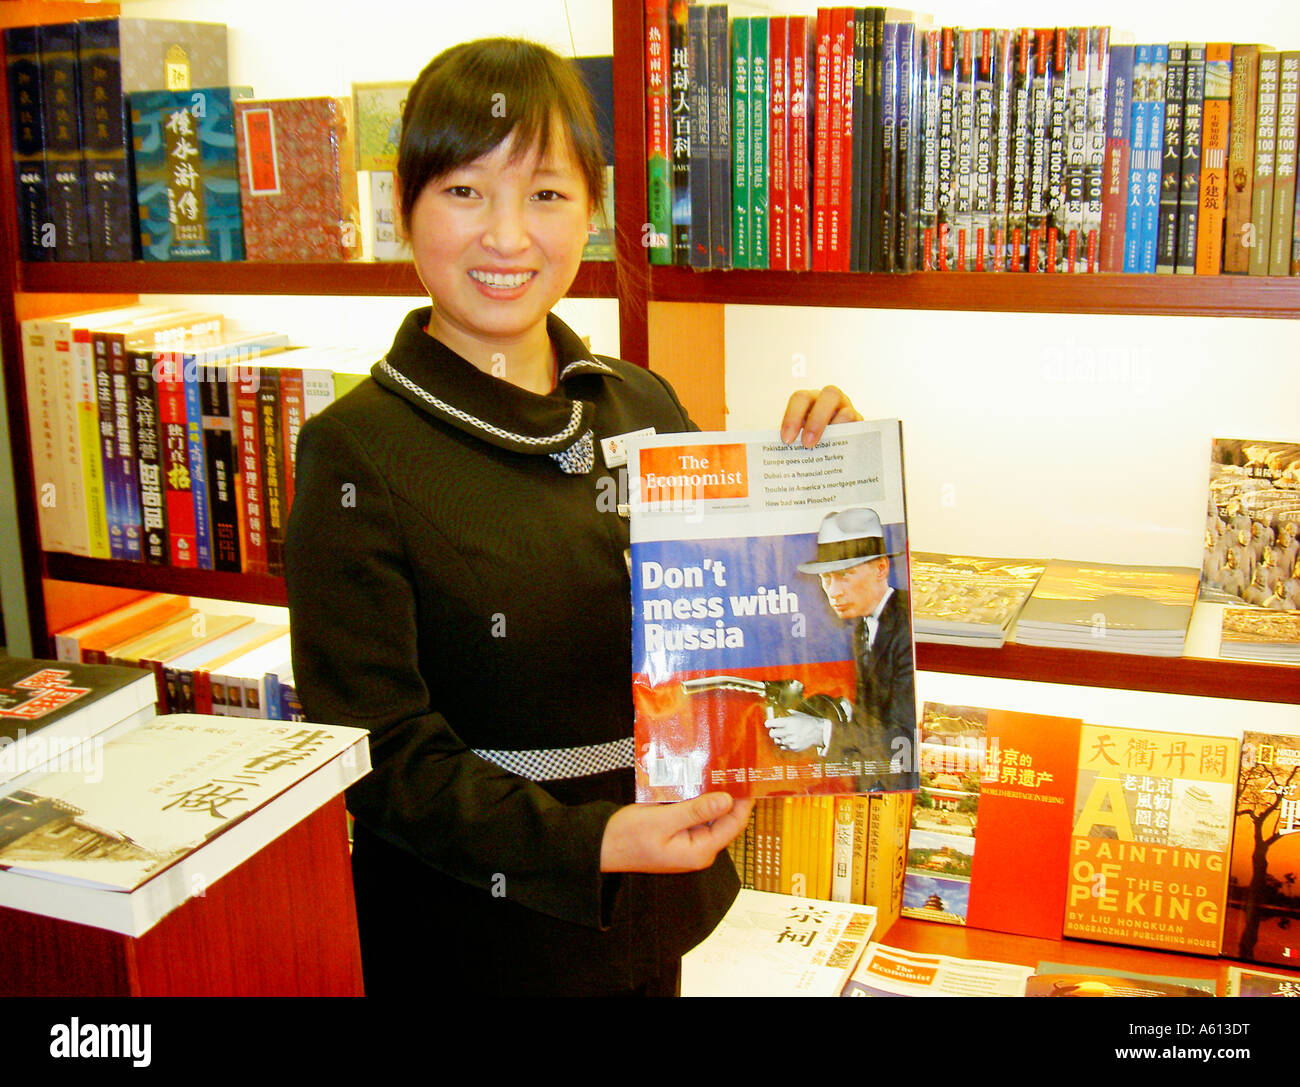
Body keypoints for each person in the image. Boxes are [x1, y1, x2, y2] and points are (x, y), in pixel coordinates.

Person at [283, 37, 861, 998]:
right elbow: (381, 756)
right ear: (404, 208)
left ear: (591, 212)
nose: (508, 237)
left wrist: (825, 487)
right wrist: (595, 841)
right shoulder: (356, 449)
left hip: (663, 914)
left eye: (546, 193)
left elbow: (739, 630)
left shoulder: (639, 402)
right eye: (465, 191)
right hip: (476, 942)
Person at [763, 507, 917, 791]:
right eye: (826, 578)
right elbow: (876, 717)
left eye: (845, 575)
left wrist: (820, 732)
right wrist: (837, 712)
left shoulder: (906, 625)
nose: (833, 592)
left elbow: (903, 741)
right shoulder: (863, 629)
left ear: (881, 569)